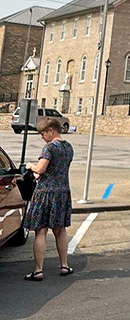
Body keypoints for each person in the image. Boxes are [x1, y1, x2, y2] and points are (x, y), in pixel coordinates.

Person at [23, 116, 74, 281]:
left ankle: (38, 270)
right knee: (60, 230)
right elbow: (57, 170)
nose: (42, 137)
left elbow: (42, 168)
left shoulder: (49, 148)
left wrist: (32, 167)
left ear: (51, 131)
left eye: (43, 133)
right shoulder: (68, 148)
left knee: (41, 230)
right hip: (63, 192)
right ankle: (64, 265)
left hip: (46, 193)